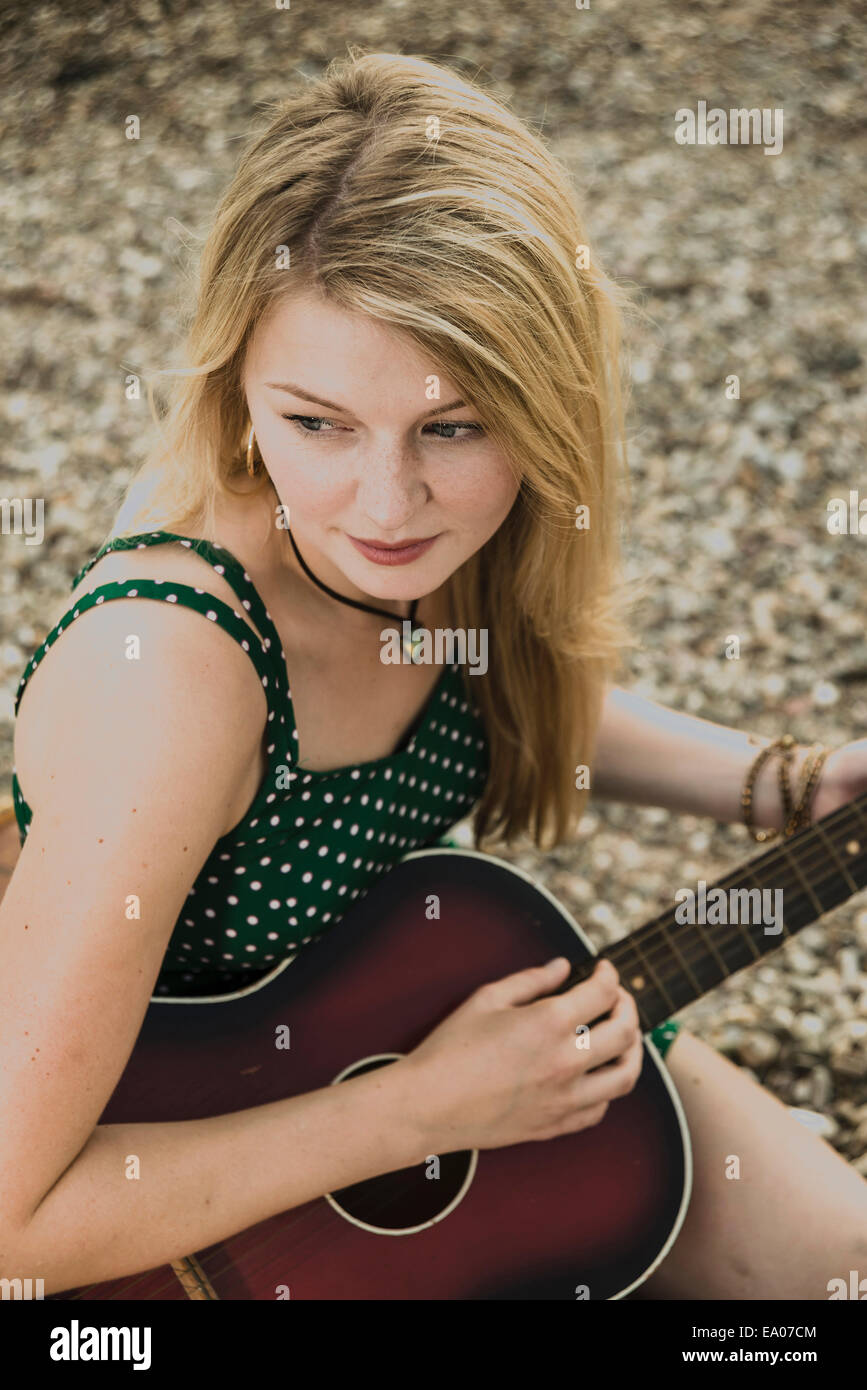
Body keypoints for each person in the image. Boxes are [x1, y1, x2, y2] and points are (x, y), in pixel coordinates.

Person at [2, 50, 866, 1301]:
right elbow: (16, 1225)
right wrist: (418, 1111)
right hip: (184, 1213)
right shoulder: (171, 682)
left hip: (422, 1036)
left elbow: (474, 696)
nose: (387, 502)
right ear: (239, 387)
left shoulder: (445, 544)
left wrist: (785, 784)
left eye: (453, 425)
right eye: (317, 423)